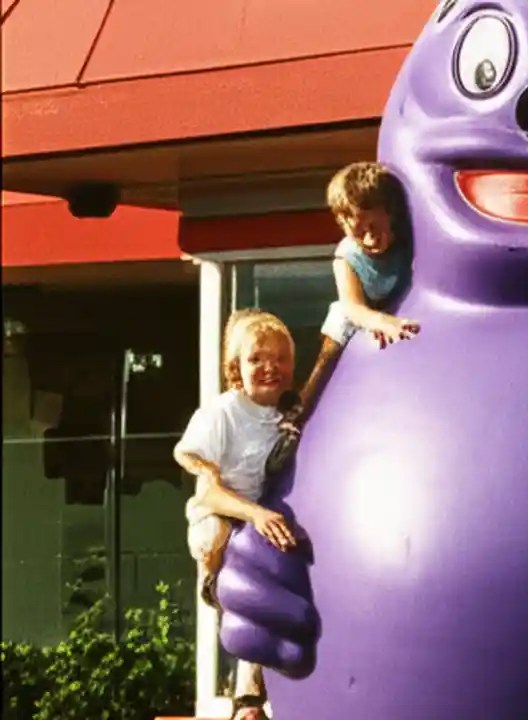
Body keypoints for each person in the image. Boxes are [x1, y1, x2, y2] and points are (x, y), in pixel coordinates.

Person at [173, 308, 301, 720]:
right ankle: (214, 582)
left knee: (261, 599)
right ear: (236, 368)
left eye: (280, 358)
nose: (270, 367)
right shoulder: (224, 413)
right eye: (257, 359)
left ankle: (249, 698)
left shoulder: (286, 416)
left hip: (257, 527)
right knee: (217, 545)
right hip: (221, 519)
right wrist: (253, 513)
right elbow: (208, 489)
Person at [265, 162, 420, 475]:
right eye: (357, 231)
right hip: (364, 311)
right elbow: (353, 307)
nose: (367, 237)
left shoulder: (408, 243)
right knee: (333, 339)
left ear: (390, 213)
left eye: (373, 227)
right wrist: (379, 322)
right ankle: (299, 415)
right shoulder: (347, 257)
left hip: (400, 304)